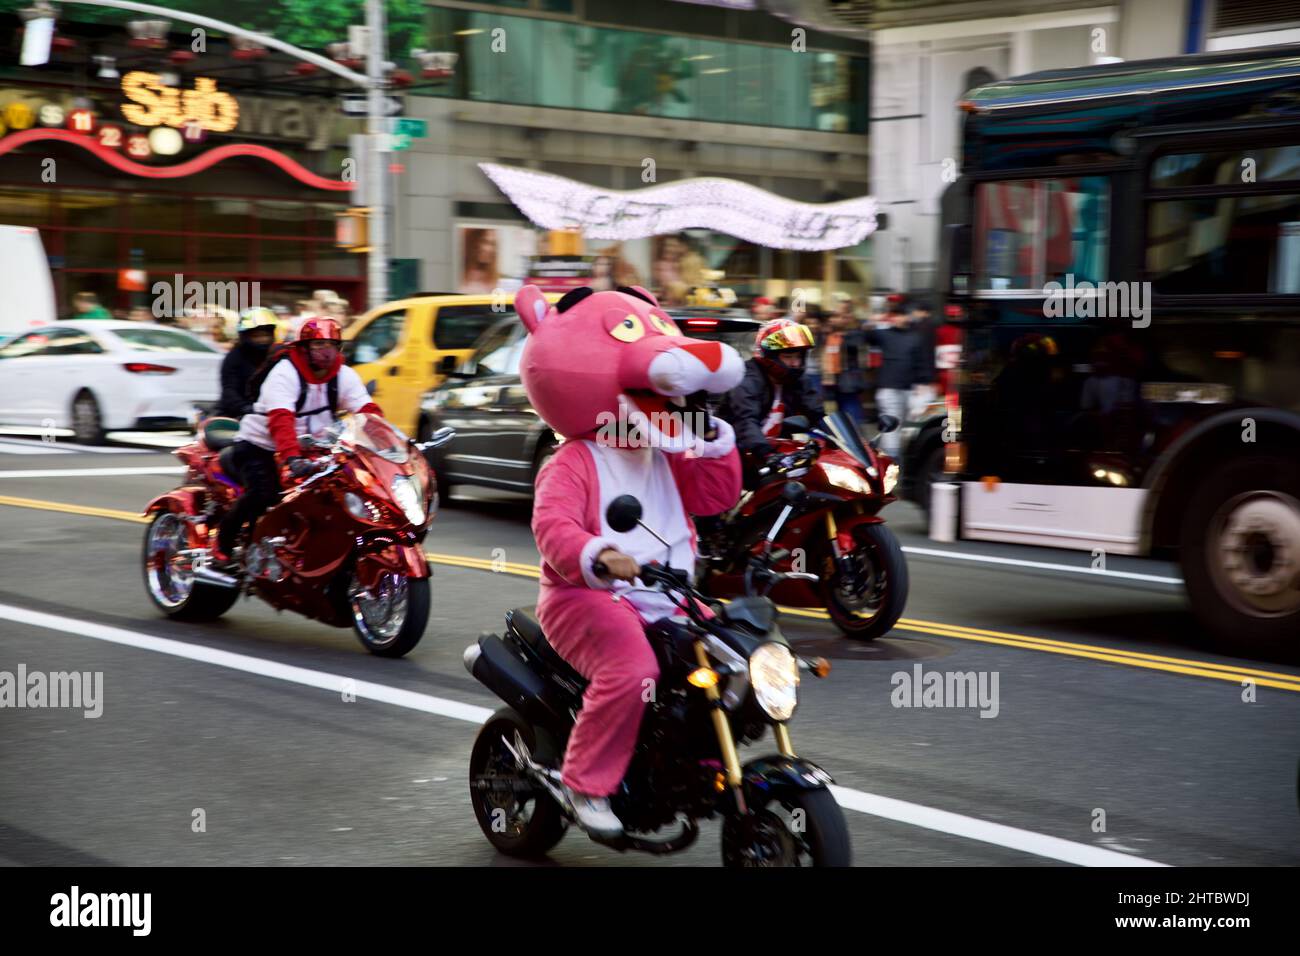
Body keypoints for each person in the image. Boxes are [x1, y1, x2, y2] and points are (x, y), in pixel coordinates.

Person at [517, 283, 743, 837]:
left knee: (743, 658)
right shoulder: (574, 457)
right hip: (587, 598)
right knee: (633, 669)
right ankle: (585, 784)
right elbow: (552, 528)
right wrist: (601, 555)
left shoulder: (664, 447)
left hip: (668, 595)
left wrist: (712, 437)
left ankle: (693, 761)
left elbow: (714, 499)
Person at [211, 317, 384, 570]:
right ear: (304, 348)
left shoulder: (343, 375)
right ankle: (223, 544)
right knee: (264, 494)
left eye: (331, 345)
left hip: (315, 448)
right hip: (261, 446)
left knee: (343, 494)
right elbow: (281, 420)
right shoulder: (285, 373)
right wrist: (291, 459)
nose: (326, 352)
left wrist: (384, 443)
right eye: (318, 345)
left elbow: (366, 410)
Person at [719, 318, 824, 483]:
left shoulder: (798, 380)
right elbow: (745, 421)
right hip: (738, 452)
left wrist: (842, 442)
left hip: (776, 453)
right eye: (788, 356)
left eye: (798, 356)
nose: (795, 363)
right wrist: (768, 454)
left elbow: (817, 413)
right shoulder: (748, 378)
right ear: (770, 356)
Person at [863, 296, 934, 459]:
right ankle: (891, 462)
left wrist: (924, 383)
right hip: (888, 389)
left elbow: (922, 362)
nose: (898, 318)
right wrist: (870, 322)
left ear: (908, 316)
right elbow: (866, 336)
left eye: (901, 315)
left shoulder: (916, 337)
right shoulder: (884, 334)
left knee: (902, 428)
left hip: (908, 390)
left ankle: (892, 461)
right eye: (895, 315)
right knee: (892, 429)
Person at [215, 308, 279, 420]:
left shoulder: (277, 356)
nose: (262, 340)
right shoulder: (234, 358)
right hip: (235, 415)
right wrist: (245, 408)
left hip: (272, 414)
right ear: (245, 336)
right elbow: (229, 390)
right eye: (256, 336)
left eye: (266, 335)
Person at [820, 299, 869, 427]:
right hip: (832, 382)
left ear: (848, 317)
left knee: (852, 418)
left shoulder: (855, 334)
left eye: (839, 316)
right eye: (834, 315)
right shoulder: (829, 334)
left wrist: (843, 333)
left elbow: (857, 350)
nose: (834, 319)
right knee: (834, 418)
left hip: (848, 382)